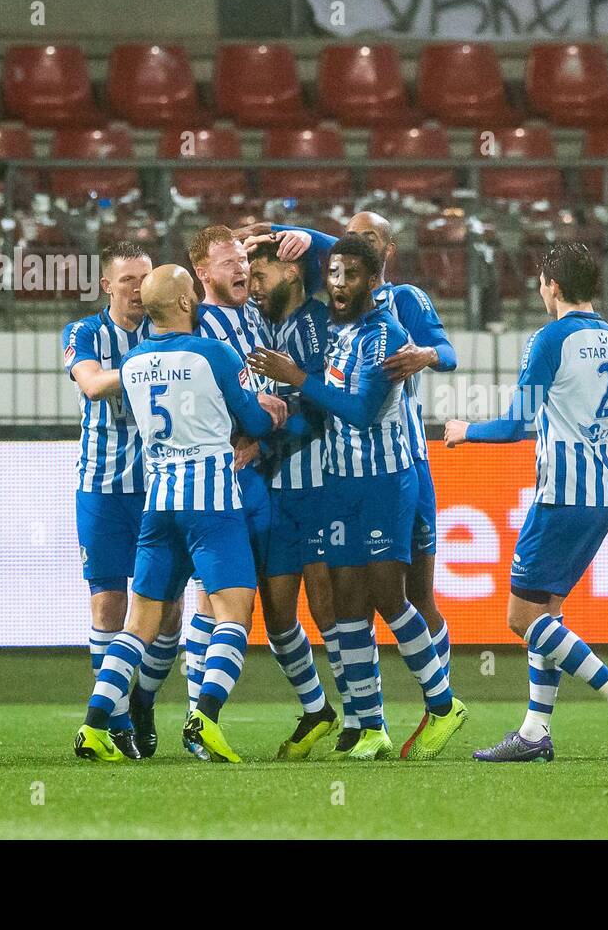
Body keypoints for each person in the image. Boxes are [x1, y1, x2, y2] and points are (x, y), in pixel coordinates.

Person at [247, 236, 468, 761]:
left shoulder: (385, 334)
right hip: (340, 480)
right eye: (335, 274)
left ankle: (444, 704)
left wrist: (297, 379)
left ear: (373, 280)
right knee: (347, 606)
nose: (340, 284)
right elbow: (325, 406)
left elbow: (363, 410)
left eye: (351, 275)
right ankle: (371, 725)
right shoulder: (339, 333)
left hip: (384, 481)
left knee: (390, 598)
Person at [444, 241, 608, 764]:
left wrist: (464, 429)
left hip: (561, 493)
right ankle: (536, 731)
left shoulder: (550, 340)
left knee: (521, 618)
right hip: (605, 496)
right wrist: (602, 425)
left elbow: (516, 424)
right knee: (549, 614)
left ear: (553, 287)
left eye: (542, 283)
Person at [74, 264, 284, 763]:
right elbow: (252, 419)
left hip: (158, 503)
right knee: (234, 614)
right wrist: (269, 412)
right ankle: (204, 718)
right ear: (189, 303)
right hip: (212, 502)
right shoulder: (214, 352)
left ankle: (94, 725)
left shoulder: (133, 362)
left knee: (138, 624)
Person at [183, 225, 336, 762]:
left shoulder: (252, 313)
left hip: (261, 475)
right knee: (217, 603)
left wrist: (296, 236)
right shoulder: (200, 324)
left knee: (275, 610)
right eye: (228, 263)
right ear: (203, 274)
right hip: (222, 475)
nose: (241, 269)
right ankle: (194, 716)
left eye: (242, 261)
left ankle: (317, 709)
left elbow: (352, 259)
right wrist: (252, 417)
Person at [62, 242, 180, 759]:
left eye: (146, 277)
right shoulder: (85, 332)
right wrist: (150, 365)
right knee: (109, 602)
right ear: (107, 286)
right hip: (104, 487)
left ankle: (145, 701)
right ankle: (113, 720)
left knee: (169, 611)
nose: (138, 287)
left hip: (165, 487)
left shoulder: (174, 327)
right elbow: (90, 385)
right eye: (128, 279)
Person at [244, 235, 346, 759]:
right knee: (279, 614)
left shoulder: (315, 324)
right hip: (278, 490)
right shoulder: (272, 326)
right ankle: (316, 709)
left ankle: (360, 718)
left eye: (259, 276)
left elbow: (322, 409)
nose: (253, 287)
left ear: (290, 272)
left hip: (318, 488)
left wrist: (263, 437)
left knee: (329, 611)